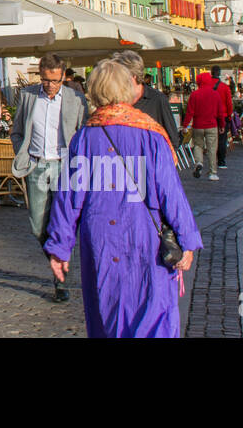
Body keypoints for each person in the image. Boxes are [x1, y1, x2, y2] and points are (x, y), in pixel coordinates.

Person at [43, 59, 201, 338]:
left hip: (101, 236)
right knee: (152, 308)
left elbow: (69, 197)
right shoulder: (150, 134)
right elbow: (170, 192)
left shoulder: (85, 137)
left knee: (108, 308)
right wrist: (186, 239)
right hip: (144, 234)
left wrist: (59, 246)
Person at [7, 53, 88, 303]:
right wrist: (23, 152)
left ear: (63, 76)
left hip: (64, 166)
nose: (50, 86)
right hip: (38, 165)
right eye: (45, 80)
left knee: (64, 222)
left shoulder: (76, 98)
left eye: (55, 80)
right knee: (37, 226)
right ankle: (57, 257)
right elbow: (17, 130)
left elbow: (84, 134)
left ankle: (59, 278)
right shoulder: (29, 95)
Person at [110, 51, 179, 145]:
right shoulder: (114, 100)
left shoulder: (157, 100)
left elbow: (173, 139)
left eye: (118, 75)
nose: (115, 79)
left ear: (133, 75)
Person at [181, 72, 224, 180]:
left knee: (198, 146)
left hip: (198, 126)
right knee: (212, 149)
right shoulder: (215, 94)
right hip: (212, 125)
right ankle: (213, 172)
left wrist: (185, 125)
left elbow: (189, 112)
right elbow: (220, 112)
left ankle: (199, 162)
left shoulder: (194, 95)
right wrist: (222, 125)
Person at [210, 66, 233, 170]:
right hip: (222, 117)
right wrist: (229, 115)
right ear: (219, 73)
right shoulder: (224, 87)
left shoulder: (205, 86)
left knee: (211, 140)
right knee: (222, 140)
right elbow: (229, 103)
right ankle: (221, 161)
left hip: (209, 116)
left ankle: (212, 160)